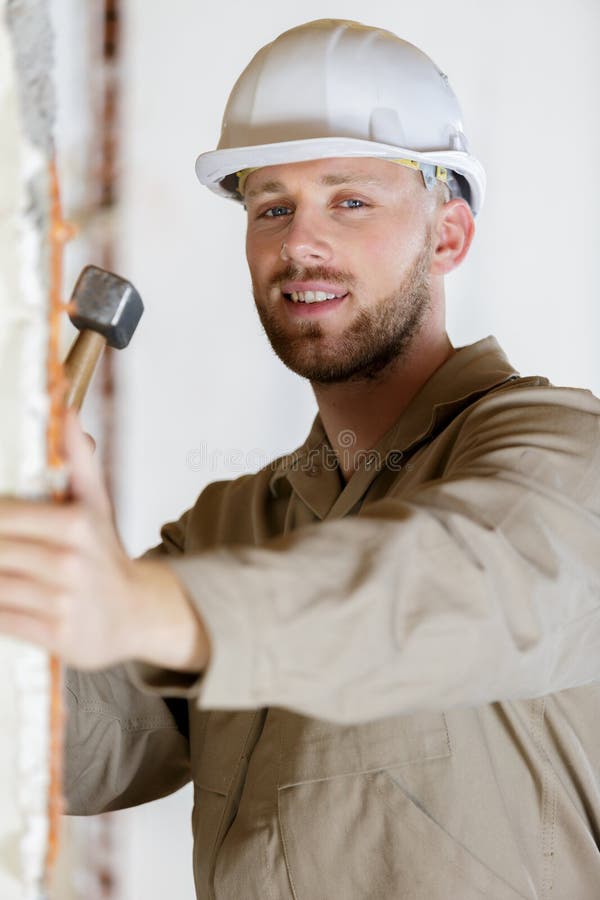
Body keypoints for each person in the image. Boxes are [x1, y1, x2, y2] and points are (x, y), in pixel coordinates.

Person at [2, 18, 600, 899]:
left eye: (349, 201)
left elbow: (447, 588)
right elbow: (76, 753)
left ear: (447, 237)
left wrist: (139, 605)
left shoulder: (564, 456)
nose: (299, 245)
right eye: (272, 208)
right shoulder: (233, 528)